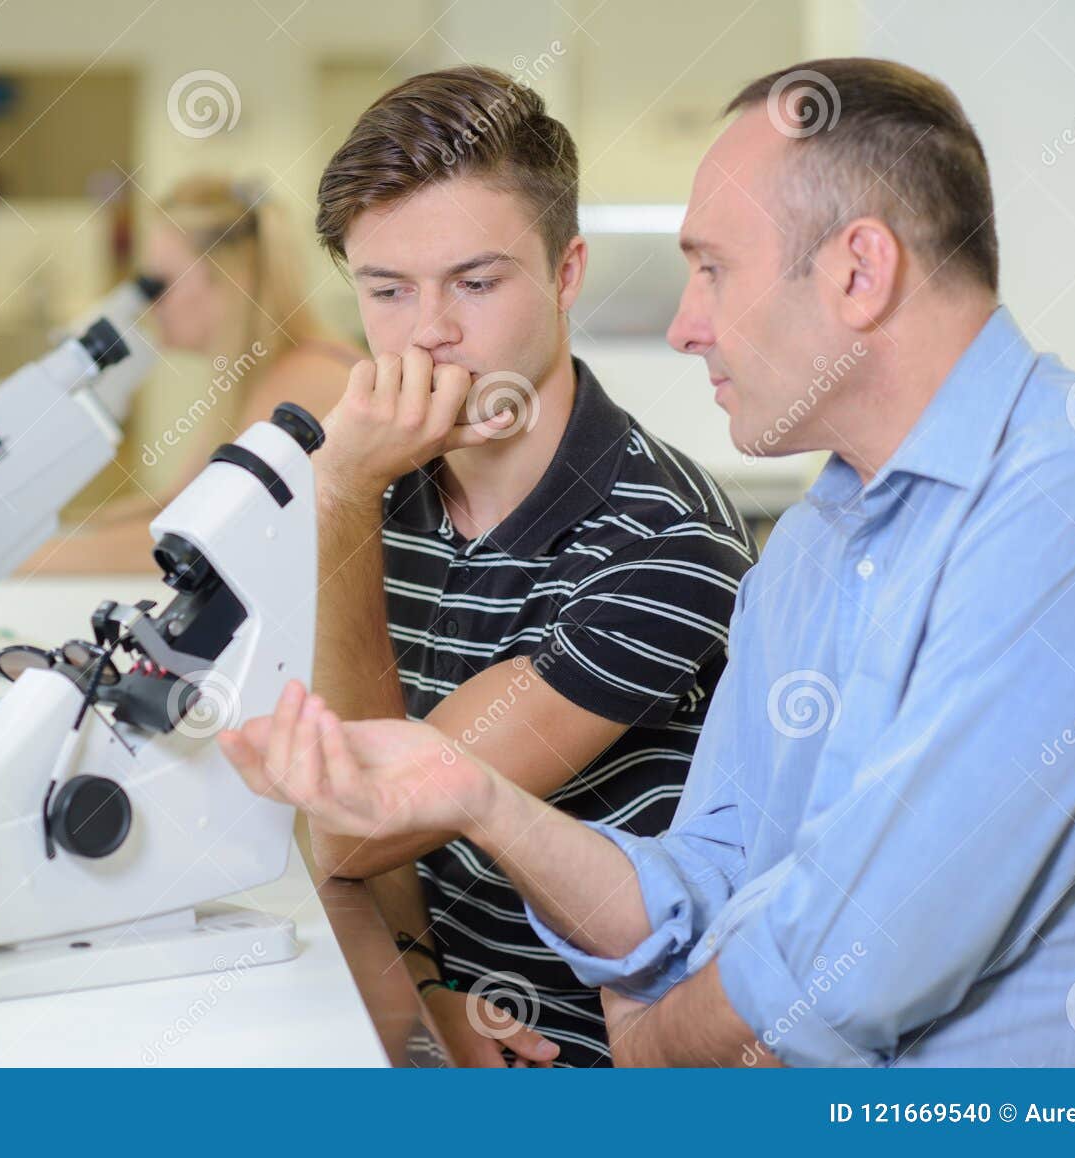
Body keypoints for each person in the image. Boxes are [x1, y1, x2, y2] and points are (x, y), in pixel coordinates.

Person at [220, 57, 1075, 1066]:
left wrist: (656, 1046)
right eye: (388, 290)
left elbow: (851, 964)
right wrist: (475, 799)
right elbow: (703, 880)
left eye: (712, 268)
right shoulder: (807, 549)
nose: (681, 326)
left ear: (858, 271)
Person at [296, 67, 754, 1067]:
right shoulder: (388, 490)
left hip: (575, 1064)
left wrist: (334, 500)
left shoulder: (667, 548)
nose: (430, 332)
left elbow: (357, 825)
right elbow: (312, 807)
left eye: (475, 281)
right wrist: (418, 1007)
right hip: (425, 1027)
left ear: (564, 274)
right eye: (386, 289)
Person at [26, 175, 358, 573]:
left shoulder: (305, 381)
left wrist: (21, 562)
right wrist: (50, 532)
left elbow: (202, 539)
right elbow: (179, 502)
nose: (151, 307)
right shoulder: (256, 376)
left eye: (159, 285)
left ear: (229, 277)